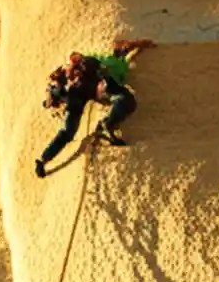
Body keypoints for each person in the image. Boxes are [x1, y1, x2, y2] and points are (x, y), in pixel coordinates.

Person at [35, 38, 154, 178]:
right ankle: (44, 159)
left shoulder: (98, 66)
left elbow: (117, 57)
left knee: (125, 100)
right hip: (87, 90)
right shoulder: (81, 75)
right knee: (68, 130)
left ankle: (107, 125)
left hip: (95, 85)